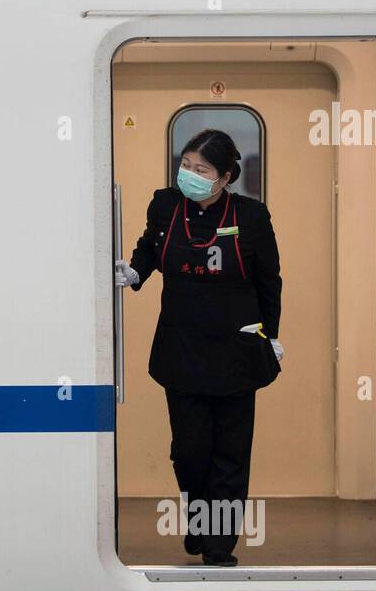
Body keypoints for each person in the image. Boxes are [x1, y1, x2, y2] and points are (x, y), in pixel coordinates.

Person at [116, 130, 283, 566]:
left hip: (237, 349)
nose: (189, 174)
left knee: (229, 452)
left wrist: (272, 335)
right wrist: (135, 273)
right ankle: (197, 519)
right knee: (190, 451)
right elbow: (150, 248)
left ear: (225, 176)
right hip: (181, 347)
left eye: (201, 169)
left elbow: (269, 282)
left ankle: (218, 544)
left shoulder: (251, 215)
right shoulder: (166, 205)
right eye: (186, 164)